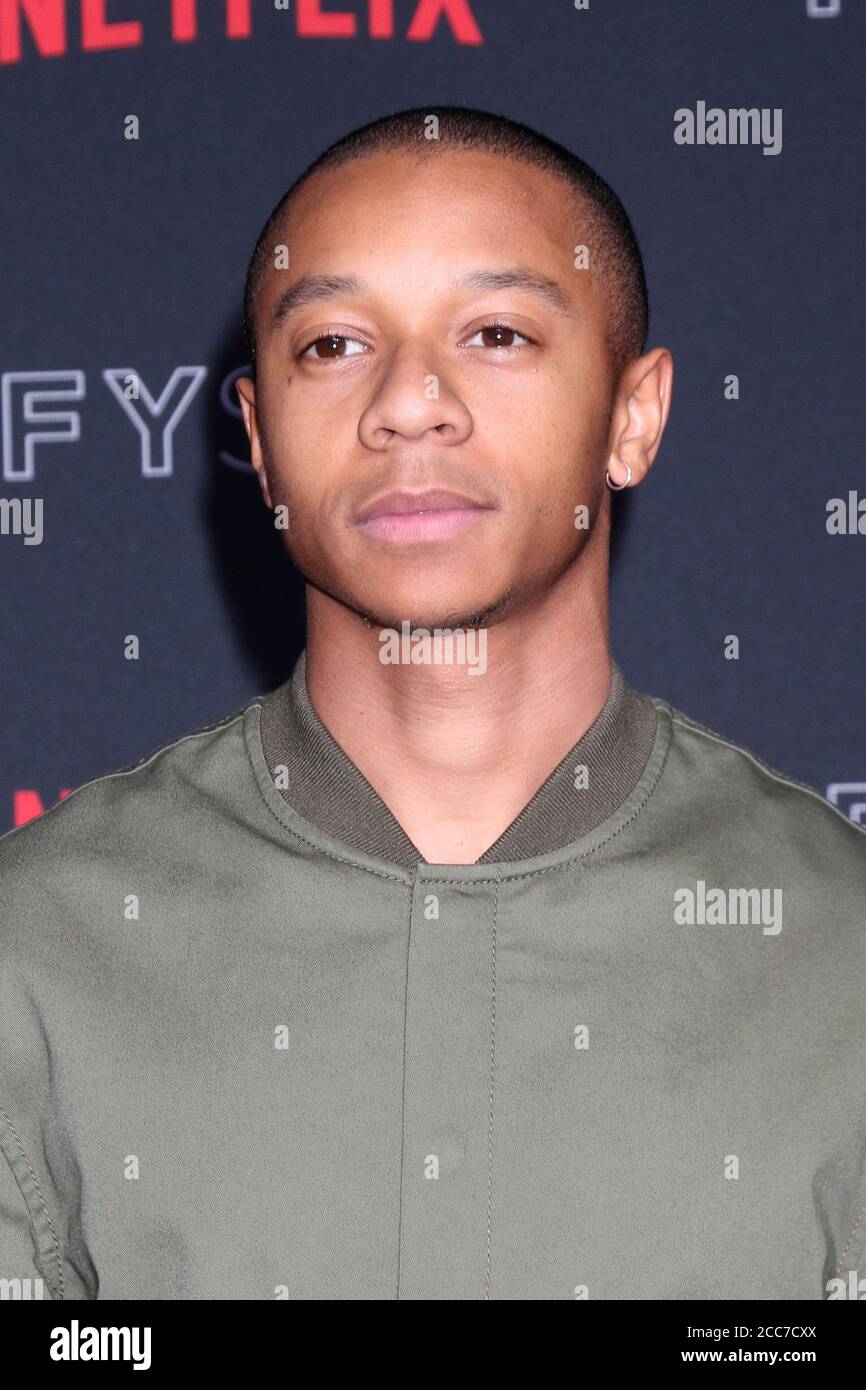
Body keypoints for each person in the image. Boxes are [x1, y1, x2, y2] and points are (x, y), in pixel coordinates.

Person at [1, 106, 864, 1302]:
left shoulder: (834, 953)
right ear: (255, 436)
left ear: (634, 416)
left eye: (496, 331)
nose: (409, 402)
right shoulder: (38, 942)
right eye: (333, 345)